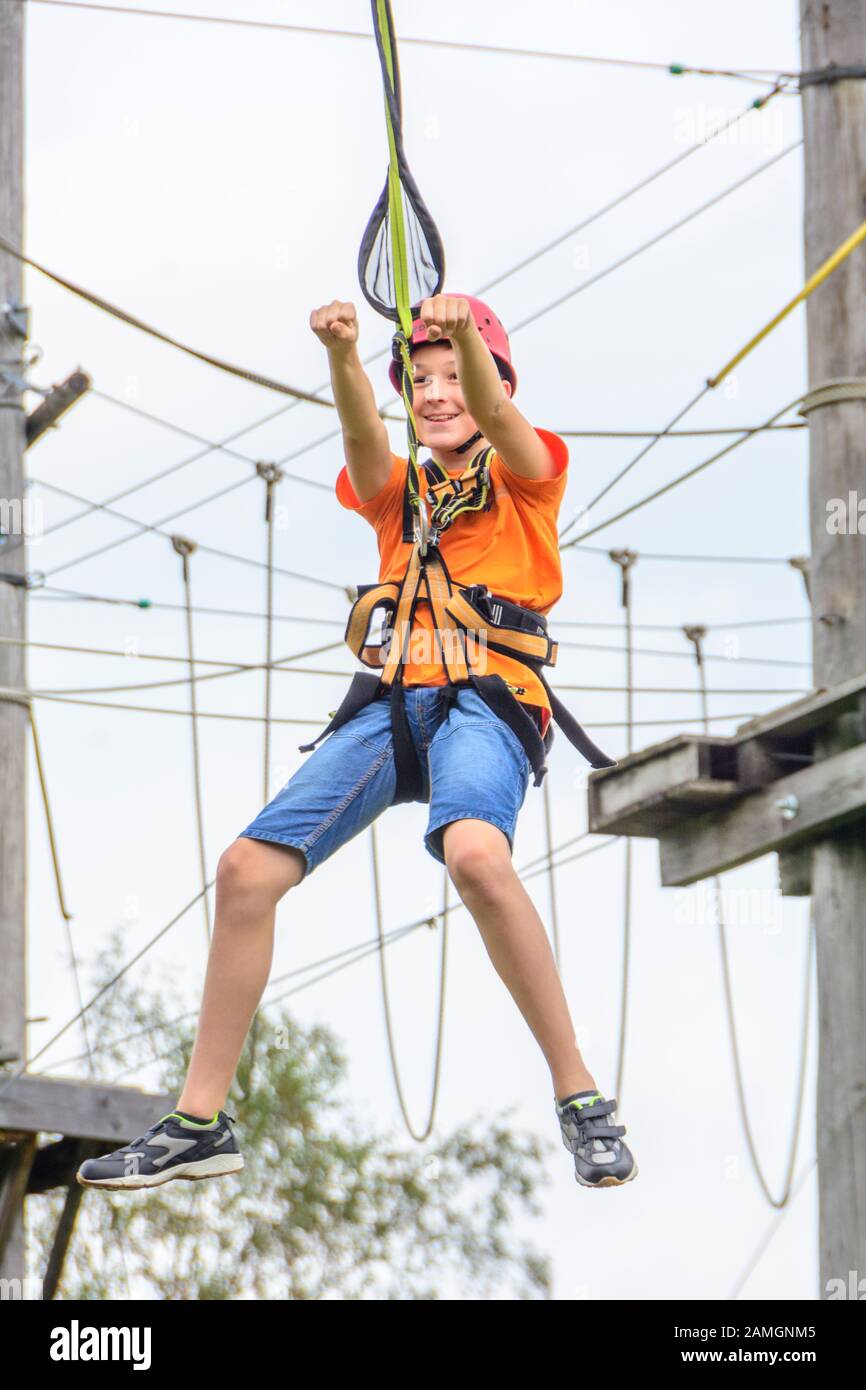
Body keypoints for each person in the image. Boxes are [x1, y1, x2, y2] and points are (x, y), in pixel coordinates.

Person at [77, 294, 637, 1193]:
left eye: (454, 376)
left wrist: (458, 342)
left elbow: (497, 414)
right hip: (394, 702)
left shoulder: (532, 473)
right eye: (420, 383)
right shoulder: (402, 495)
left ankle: (580, 1098)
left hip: (489, 700)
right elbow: (362, 441)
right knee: (244, 872)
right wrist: (343, 356)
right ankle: (200, 1120)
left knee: (476, 857)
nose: (439, 394)